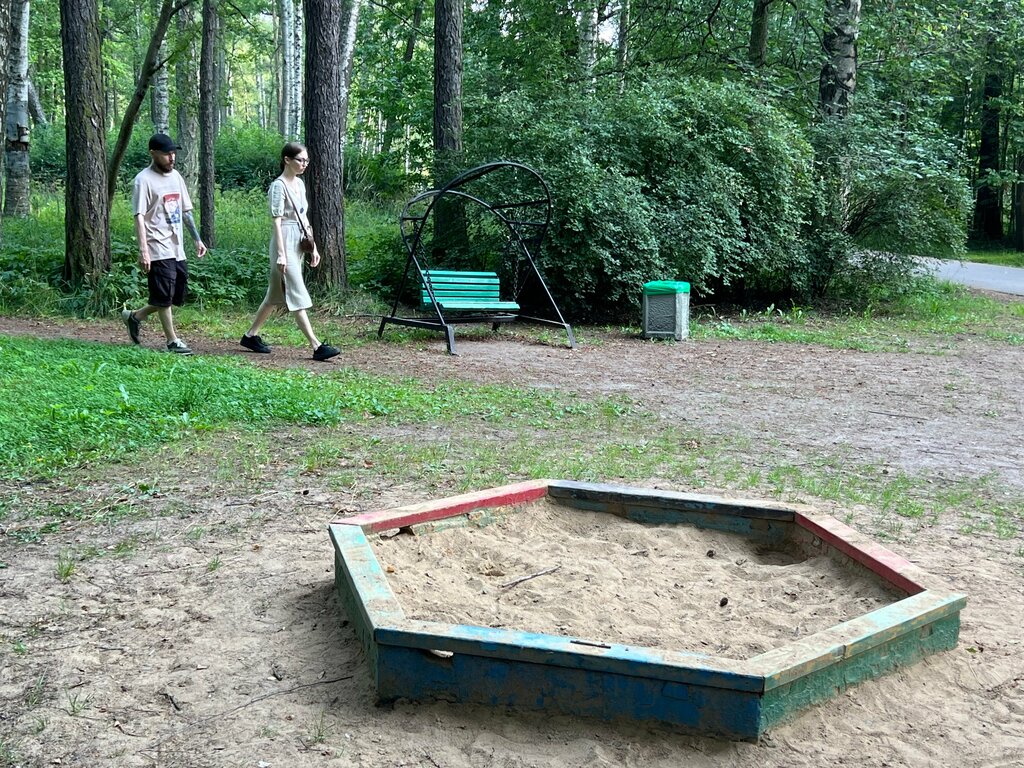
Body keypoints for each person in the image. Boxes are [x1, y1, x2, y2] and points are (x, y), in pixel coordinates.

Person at [240, 142, 339, 362]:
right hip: (283, 239)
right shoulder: (278, 186)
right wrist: (281, 254)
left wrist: (313, 247)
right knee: (295, 290)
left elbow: (303, 216)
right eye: (300, 160)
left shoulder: (300, 184)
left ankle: (250, 336)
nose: (304, 164)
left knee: (274, 295)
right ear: (287, 160)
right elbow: (276, 221)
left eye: (306, 160)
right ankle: (317, 345)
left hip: (299, 239)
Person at [121, 133, 208, 354]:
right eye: (167, 154)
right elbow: (139, 216)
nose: (172, 158)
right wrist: (144, 250)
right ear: (153, 154)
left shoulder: (176, 177)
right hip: (156, 245)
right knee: (164, 294)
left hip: (176, 245)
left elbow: (185, 210)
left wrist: (197, 238)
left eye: (173, 153)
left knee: (173, 294)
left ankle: (135, 316)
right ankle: (172, 341)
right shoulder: (143, 180)